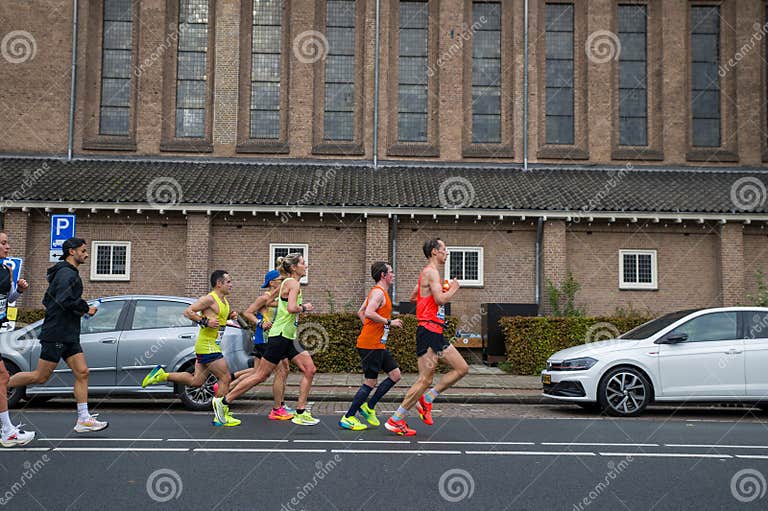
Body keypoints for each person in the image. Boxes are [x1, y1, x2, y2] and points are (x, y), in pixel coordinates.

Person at [8, 237, 108, 433]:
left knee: (82, 372)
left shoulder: (65, 273)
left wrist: (76, 310)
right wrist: (85, 308)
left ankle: (83, 418)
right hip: (57, 333)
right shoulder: (65, 274)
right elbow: (64, 299)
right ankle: (5, 383)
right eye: (83, 250)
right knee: (40, 377)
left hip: (68, 333)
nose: (86, 254)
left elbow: (48, 300)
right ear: (72, 251)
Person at [217, 253, 320, 426]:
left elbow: (271, 299)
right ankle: (223, 402)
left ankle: (301, 412)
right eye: (303, 263)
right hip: (279, 336)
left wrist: (269, 308)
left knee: (310, 369)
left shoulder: (287, 283)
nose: (306, 265)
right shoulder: (293, 283)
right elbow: (291, 308)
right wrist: (305, 307)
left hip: (288, 336)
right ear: (294, 267)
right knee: (260, 375)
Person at [385, 238, 468, 436]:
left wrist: (433, 294)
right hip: (428, 330)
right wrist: (454, 289)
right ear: (434, 252)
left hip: (434, 331)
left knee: (461, 368)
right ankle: (395, 420)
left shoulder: (429, 273)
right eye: (444, 249)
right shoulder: (431, 272)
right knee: (424, 380)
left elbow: (415, 296)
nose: (446, 253)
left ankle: (428, 398)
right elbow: (440, 299)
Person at [142, 270, 240, 427]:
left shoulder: (224, 301)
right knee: (225, 378)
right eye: (228, 282)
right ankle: (221, 416)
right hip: (208, 345)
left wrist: (229, 317)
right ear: (219, 283)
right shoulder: (209, 298)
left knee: (197, 381)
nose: (231, 284)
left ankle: (161, 375)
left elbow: (217, 319)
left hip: (210, 344)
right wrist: (204, 321)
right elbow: (188, 312)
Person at [339, 262, 403, 431]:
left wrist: (371, 328)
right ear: (383, 275)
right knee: (370, 381)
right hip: (370, 345)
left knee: (395, 375)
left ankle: (369, 406)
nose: (393, 274)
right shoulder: (378, 293)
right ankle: (349, 417)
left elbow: (361, 312)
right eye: (391, 272)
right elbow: (368, 313)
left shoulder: (378, 292)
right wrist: (389, 322)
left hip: (376, 343)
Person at [233, 269, 294, 420]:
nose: (283, 282)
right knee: (278, 371)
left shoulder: (279, 297)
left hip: (277, 338)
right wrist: (260, 322)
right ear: (272, 282)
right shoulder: (264, 298)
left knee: (261, 372)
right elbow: (248, 312)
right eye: (280, 280)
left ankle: (227, 384)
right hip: (266, 339)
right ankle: (278, 408)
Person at [0, 231, 35, 447]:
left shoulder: (7, 268)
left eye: (7, 243)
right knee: (2, 378)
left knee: (2, 378)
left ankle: (7, 429)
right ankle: (7, 431)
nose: (8, 247)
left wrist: (19, 290)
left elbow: (8, 298)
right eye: (3, 243)